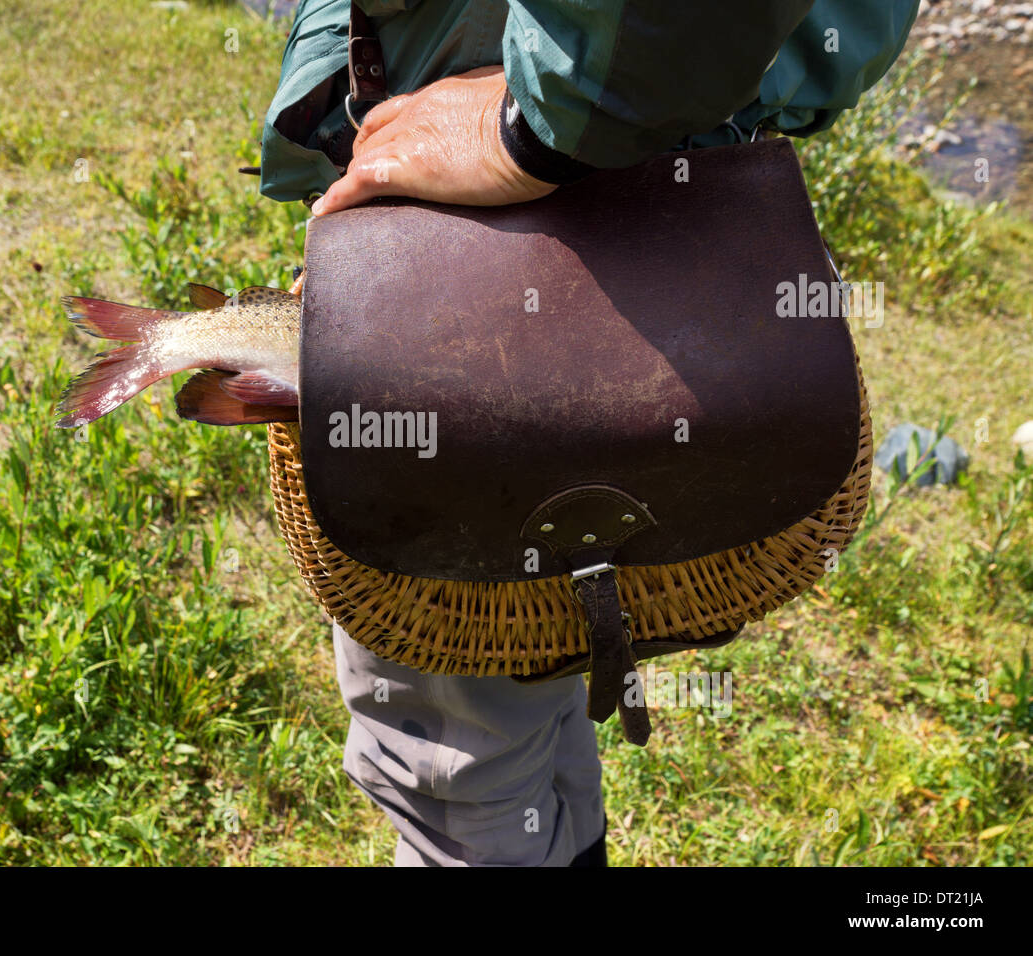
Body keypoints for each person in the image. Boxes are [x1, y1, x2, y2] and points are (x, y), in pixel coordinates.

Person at [259, 0, 921, 867]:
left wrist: (529, 130)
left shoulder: (537, 122)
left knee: (460, 760)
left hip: (484, 174)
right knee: (530, 669)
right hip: (686, 158)